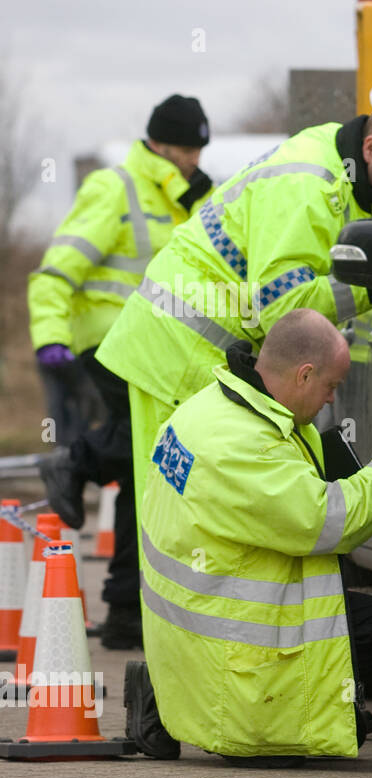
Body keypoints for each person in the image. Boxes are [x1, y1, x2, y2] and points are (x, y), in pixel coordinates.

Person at [92, 82, 372, 582]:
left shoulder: (358, 184)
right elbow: (281, 307)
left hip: (207, 356)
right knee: (177, 522)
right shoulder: (308, 188)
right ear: (371, 145)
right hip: (174, 355)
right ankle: (171, 646)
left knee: (205, 519)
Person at [125, 309, 372, 766]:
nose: (331, 400)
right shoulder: (248, 449)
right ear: (304, 375)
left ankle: (162, 692)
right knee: (281, 744)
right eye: (330, 386)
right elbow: (332, 522)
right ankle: (225, 719)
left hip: (193, 624)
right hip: (236, 651)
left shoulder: (211, 406)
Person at [31, 94, 213, 649]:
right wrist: (51, 337)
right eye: (183, 147)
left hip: (160, 350)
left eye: (197, 148)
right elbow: (54, 273)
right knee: (148, 452)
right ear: (157, 143)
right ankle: (75, 461)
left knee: (150, 466)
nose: (190, 158)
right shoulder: (116, 188)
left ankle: (126, 610)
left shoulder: (189, 199)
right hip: (111, 342)